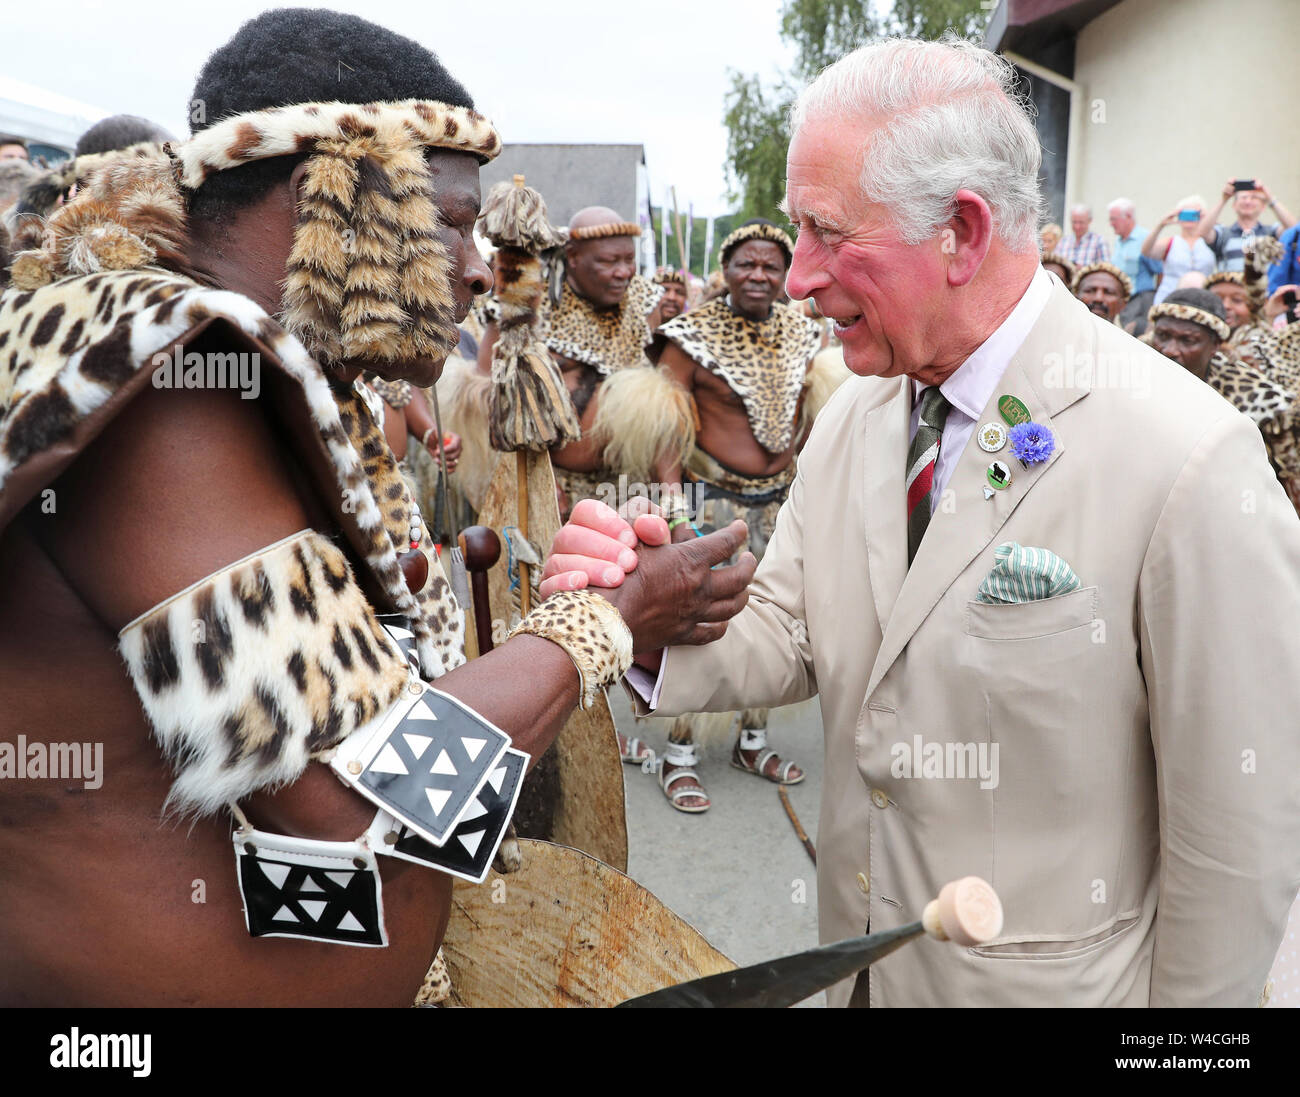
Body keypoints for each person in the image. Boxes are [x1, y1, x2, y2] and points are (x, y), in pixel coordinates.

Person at [0, 8, 750, 1006]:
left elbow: (369, 718)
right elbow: (357, 795)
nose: (479, 267)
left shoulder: (270, 378)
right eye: (449, 218)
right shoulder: (176, 384)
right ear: (336, 198)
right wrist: (601, 622)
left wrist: (556, 619)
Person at [549, 35, 1300, 1007]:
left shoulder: (1188, 458)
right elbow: (789, 627)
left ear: (962, 231)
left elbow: (1234, 840)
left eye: (827, 232)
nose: (799, 277)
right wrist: (645, 619)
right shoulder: (858, 412)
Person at [645, 219, 833, 811]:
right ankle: (680, 755)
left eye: (770, 266)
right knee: (703, 623)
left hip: (782, 503)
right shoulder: (688, 336)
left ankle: (752, 741)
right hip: (711, 502)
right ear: (725, 272)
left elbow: (807, 425)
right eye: (746, 264)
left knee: (782, 619)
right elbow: (664, 432)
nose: (758, 275)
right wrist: (676, 513)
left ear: (785, 275)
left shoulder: (803, 334)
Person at [1149, 288, 1300, 509]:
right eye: (1162, 336)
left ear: (1215, 346)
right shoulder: (1134, 375)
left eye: (1188, 340)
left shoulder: (1258, 401)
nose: (1170, 350)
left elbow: (1290, 476)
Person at [1199, 178, 1294, 273]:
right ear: (1234, 205)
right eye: (1243, 198)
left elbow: (1294, 229)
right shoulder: (1223, 233)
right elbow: (1202, 232)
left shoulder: (1271, 233)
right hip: (1232, 285)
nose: (1248, 202)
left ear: (1263, 207)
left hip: (1263, 286)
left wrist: (1270, 199)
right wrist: (1224, 199)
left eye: (1254, 198)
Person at [1143, 195, 1216, 305]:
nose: (1189, 218)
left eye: (1194, 214)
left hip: (1202, 300)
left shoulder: (1212, 240)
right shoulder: (1170, 242)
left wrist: (1209, 219)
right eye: (1185, 214)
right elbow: (1146, 251)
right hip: (1169, 298)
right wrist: (1161, 225)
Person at [1107, 198, 1158, 328]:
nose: (1111, 224)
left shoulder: (1145, 239)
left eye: (1114, 219)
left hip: (1140, 300)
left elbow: (1160, 271)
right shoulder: (1119, 241)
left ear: (1128, 217)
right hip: (1123, 301)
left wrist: (1153, 301)